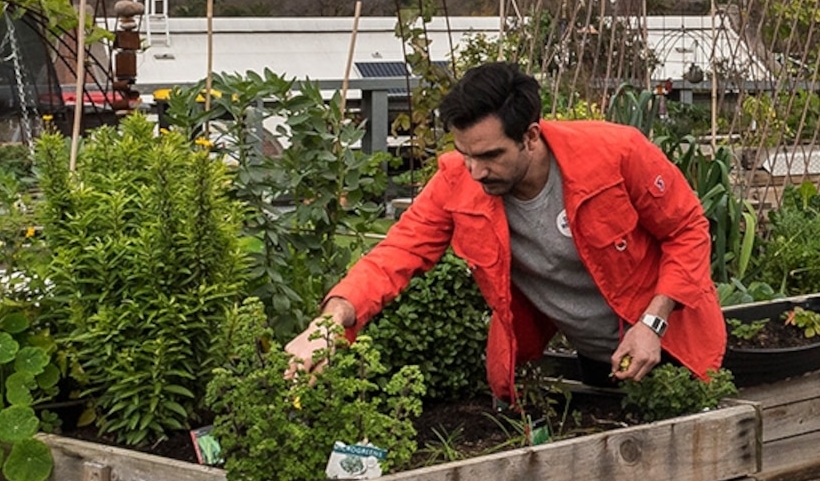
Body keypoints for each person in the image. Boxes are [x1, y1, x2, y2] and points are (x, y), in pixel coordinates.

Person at [288, 61, 726, 397]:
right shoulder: (457, 183)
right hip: (600, 358)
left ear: (531, 136)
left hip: (673, 349)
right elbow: (393, 257)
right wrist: (327, 327)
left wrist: (652, 323)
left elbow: (687, 230)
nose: (477, 171)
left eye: (491, 155)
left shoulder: (616, 154)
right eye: (465, 155)